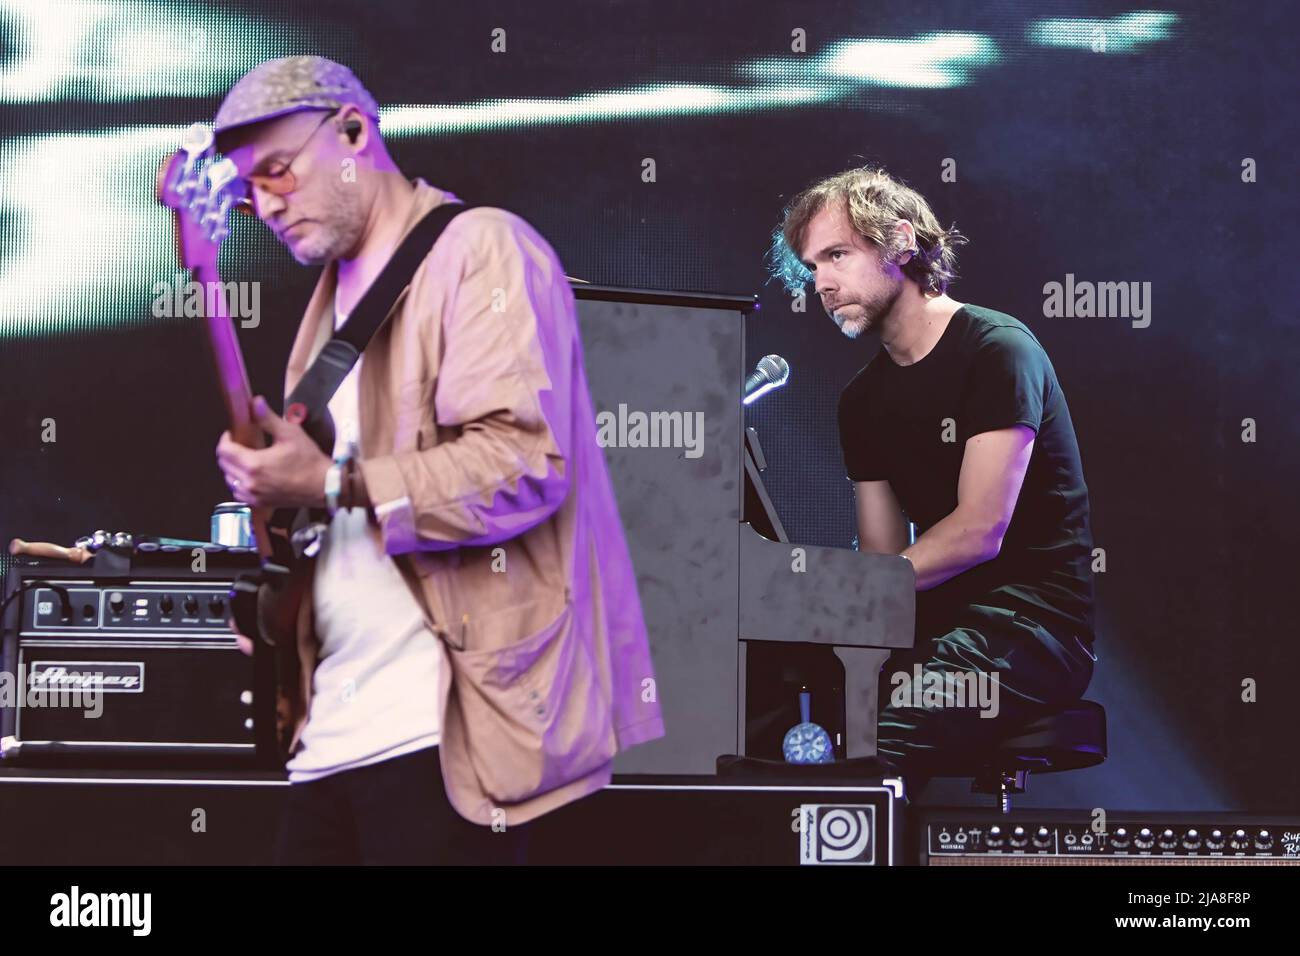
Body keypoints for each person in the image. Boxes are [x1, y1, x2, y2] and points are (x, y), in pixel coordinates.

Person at [211, 55, 663, 864]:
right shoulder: (321, 325)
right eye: (249, 191)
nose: (266, 203)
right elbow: (340, 539)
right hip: (333, 738)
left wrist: (324, 480)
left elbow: (522, 461)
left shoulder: (481, 250)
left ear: (353, 130)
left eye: (278, 171)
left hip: (440, 741)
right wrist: (278, 607)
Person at [767, 165, 1098, 785]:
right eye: (812, 267)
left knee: (877, 740)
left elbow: (979, 531)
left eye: (836, 255)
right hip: (933, 630)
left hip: (1030, 629)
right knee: (781, 720)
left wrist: (839, 593)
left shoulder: (998, 349)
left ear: (900, 241)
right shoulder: (860, 402)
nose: (822, 282)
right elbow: (883, 558)